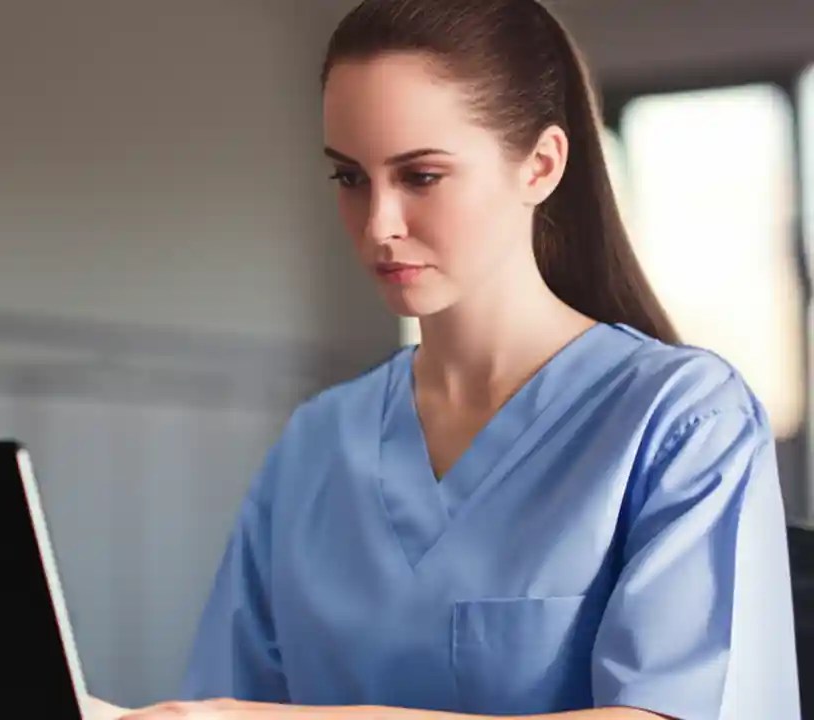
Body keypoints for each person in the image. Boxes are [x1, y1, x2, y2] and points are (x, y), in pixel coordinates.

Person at [118, 0, 802, 718]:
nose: (379, 225)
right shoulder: (314, 446)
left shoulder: (682, 421)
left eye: (421, 176)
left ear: (540, 165)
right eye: (350, 179)